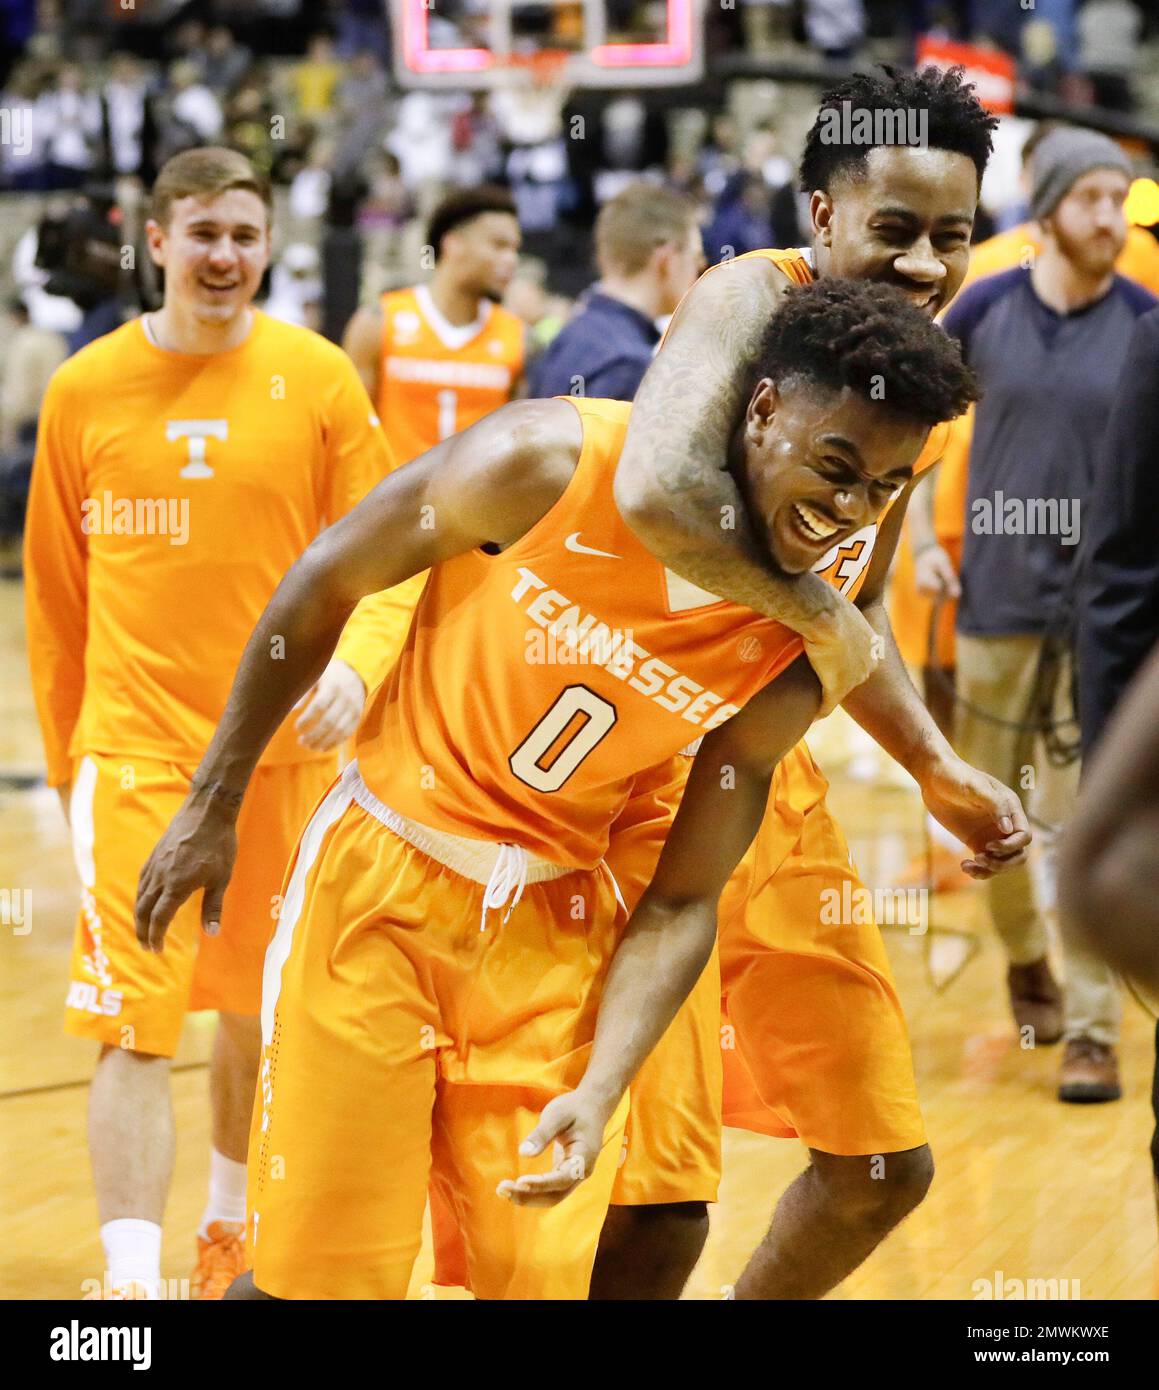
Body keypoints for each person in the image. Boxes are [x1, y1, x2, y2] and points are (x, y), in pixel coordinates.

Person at [134, 280, 991, 1300]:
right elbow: (326, 575)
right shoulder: (549, 461)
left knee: (551, 1273)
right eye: (835, 466)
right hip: (379, 886)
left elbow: (680, 899)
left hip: (558, 923)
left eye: (882, 489)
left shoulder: (802, 634)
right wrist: (211, 802)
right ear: (762, 410)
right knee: (310, 1280)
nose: (846, 510)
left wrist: (600, 1084)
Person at [588, 64, 1022, 1301]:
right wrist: (824, 621)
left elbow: (860, 605)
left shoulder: (919, 373)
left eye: (952, 234)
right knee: (654, 1205)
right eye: (894, 230)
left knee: (881, 1170)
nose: (927, 263)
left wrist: (933, 765)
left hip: (766, 775)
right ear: (820, 214)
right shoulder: (743, 295)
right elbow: (657, 494)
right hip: (630, 781)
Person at [22, 147, 406, 1301]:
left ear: (269, 243)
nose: (226, 256)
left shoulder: (321, 377)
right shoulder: (83, 387)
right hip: (140, 759)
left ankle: (228, 1229)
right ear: (157, 242)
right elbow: (55, 598)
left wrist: (363, 665)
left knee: (258, 1010)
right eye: (203, 234)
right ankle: (130, 1277)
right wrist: (67, 768)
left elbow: (393, 560)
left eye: (245, 234)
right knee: (134, 1025)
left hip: (289, 764)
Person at [941, 127, 1156, 1101]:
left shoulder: (1147, 324)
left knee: (1081, 824)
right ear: (1047, 207)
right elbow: (912, 429)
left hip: (1104, 615)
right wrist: (911, 544)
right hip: (994, 594)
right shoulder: (982, 307)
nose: (1112, 217)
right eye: (1092, 199)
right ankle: (1026, 959)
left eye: (1121, 198)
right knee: (986, 819)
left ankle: (1091, 1032)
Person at [342, 186, 526, 466]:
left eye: (515, 249)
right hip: (394, 505)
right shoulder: (379, 319)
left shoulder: (516, 335)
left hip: (479, 506)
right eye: (499, 245)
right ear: (453, 244)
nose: (511, 260)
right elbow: (349, 435)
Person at [528, 183, 704, 401]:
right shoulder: (628, 363)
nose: (699, 271)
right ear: (666, 259)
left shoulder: (567, 336)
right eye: (696, 258)